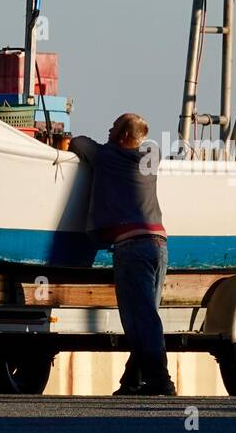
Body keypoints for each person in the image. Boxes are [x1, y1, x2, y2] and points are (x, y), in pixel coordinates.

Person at [68, 113, 175, 396]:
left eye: (114, 127)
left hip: (132, 248)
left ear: (124, 136)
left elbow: (78, 142)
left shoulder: (106, 157)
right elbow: (153, 147)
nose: (108, 128)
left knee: (140, 318)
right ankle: (132, 381)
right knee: (147, 314)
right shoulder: (150, 160)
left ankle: (160, 381)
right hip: (159, 245)